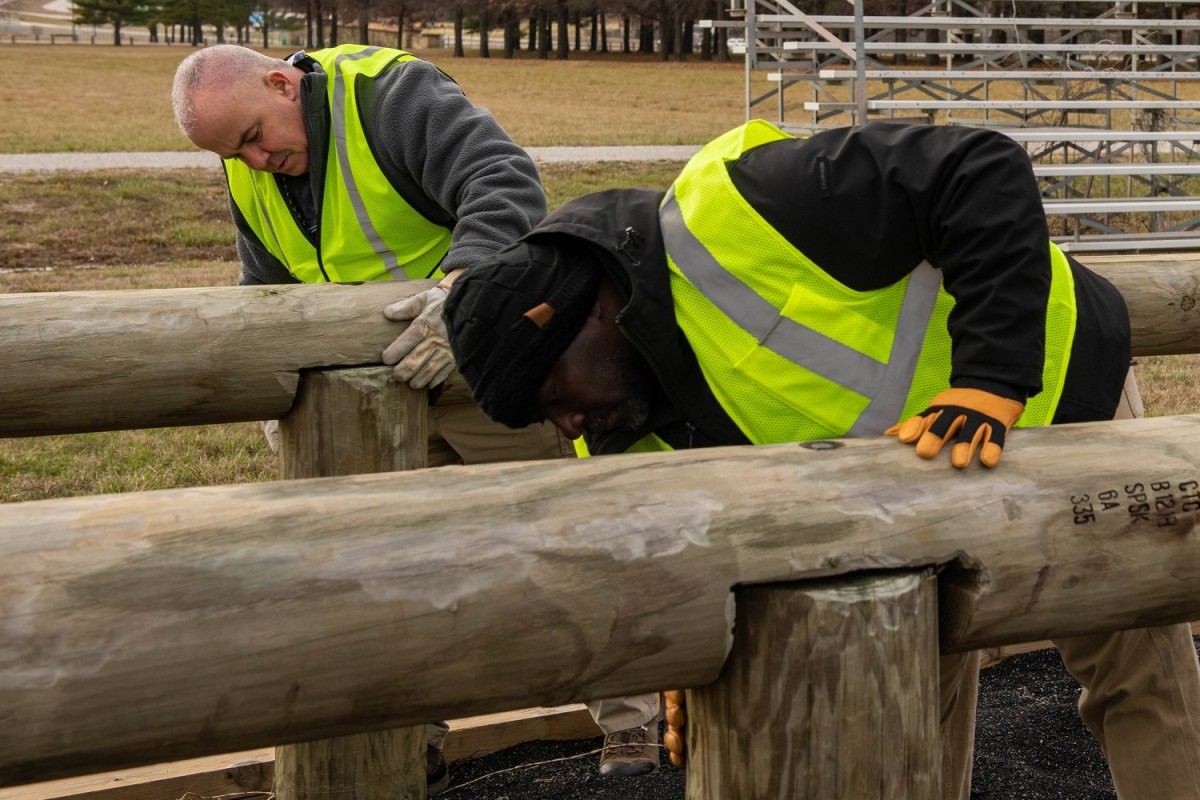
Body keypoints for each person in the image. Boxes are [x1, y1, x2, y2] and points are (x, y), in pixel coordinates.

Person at [442, 119, 1200, 798]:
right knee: (904, 719)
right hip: (903, 502)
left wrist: (991, 379)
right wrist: (687, 663)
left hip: (1058, 405)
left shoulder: (741, 208)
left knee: (1137, 676)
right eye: (548, 417)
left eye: (553, 390)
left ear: (589, 310)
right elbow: (711, 557)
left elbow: (980, 167)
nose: (566, 419)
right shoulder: (622, 432)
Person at [170, 44, 660, 789]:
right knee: (388, 572)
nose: (255, 161)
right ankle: (405, 742)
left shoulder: (389, 97)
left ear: (281, 83)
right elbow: (261, 283)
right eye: (233, 154)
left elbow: (502, 180)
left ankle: (636, 730)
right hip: (370, 401)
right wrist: (272, 385)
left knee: (563, 539)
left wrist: (459, 296)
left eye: (253, 138)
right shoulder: (252, 166)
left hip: (478, 373)